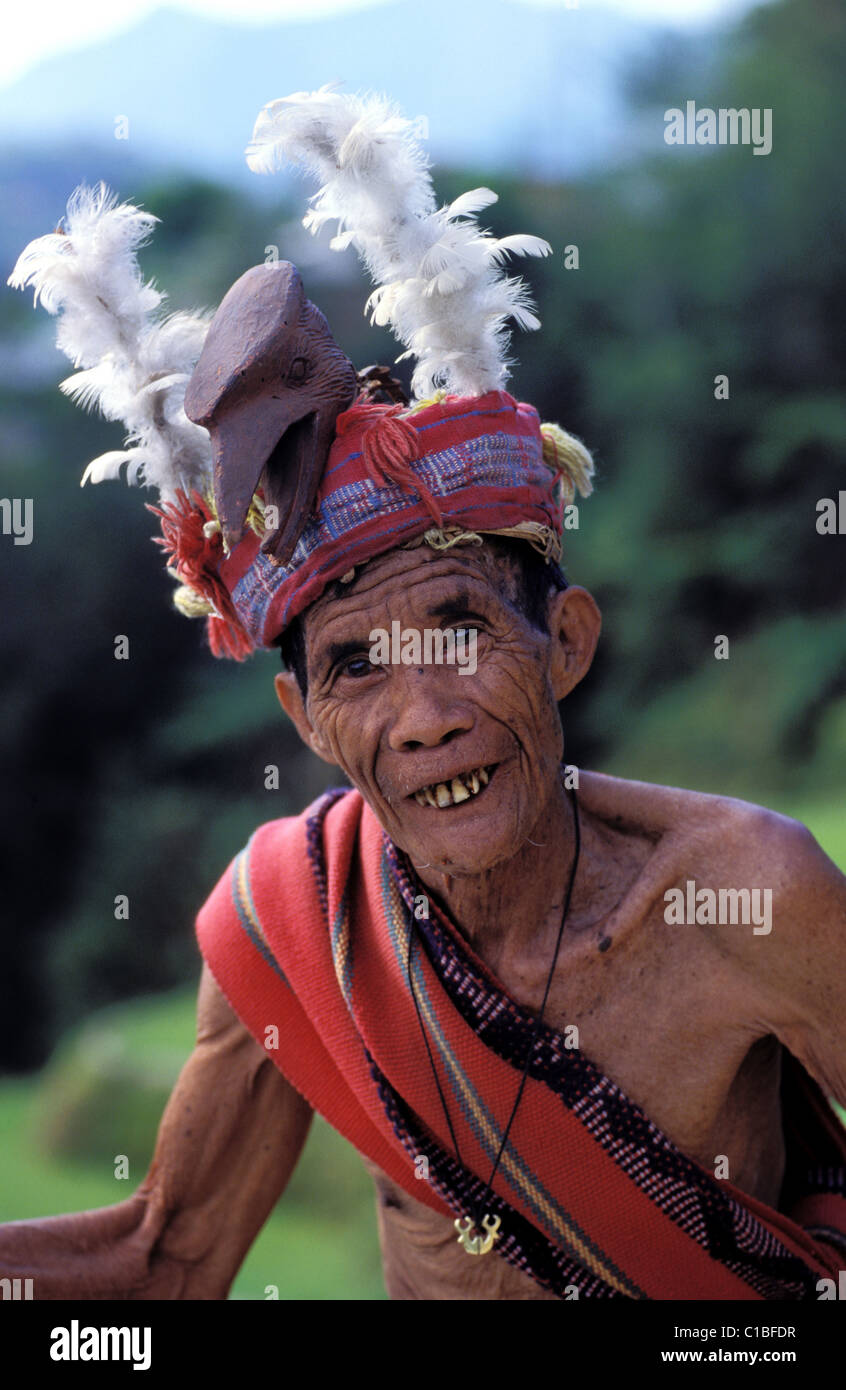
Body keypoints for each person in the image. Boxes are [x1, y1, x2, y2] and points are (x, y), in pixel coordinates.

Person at [2, 87, 845, 1302]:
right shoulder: (289, 928)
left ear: (565, 639)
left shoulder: (752, 897)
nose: (425, 713)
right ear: (305, 722)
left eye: (459, 627)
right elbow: (162, 1264)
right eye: (352, 664)